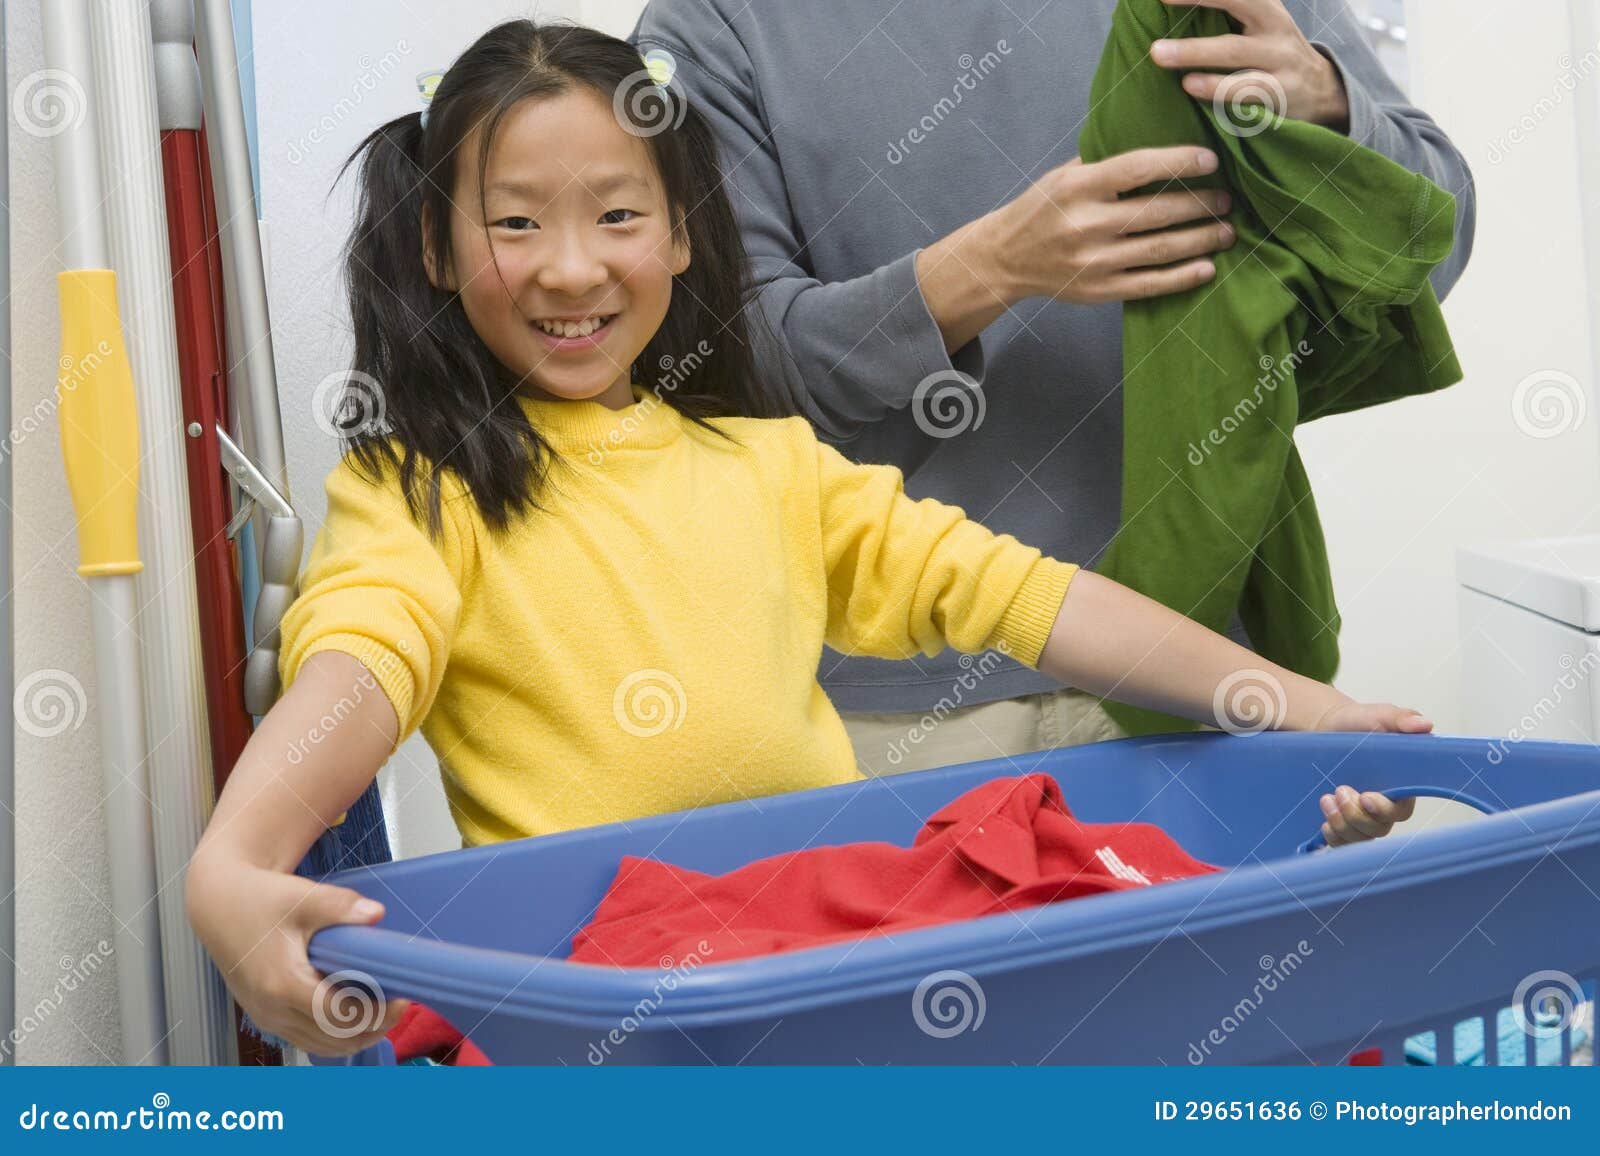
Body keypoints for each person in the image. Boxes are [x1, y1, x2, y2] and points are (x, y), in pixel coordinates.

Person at [185, 20, 1430, 1060]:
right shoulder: (420, 490)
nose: (570, 268)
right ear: (435, 249)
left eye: (618, 214)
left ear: (680, 234)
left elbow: (1027, 597)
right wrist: (236, 863)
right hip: (613, 1013)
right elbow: (356, 659)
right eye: (515, 225)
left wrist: (1285, 701)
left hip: (824, 989)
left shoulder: (769, 464)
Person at [632, 0, 1476, 772]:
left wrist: (1328, 100)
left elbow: (1435, 241)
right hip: (898, 712)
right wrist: (985, 270)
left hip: (1212, 670)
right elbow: (712, 371)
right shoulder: (718, 26)